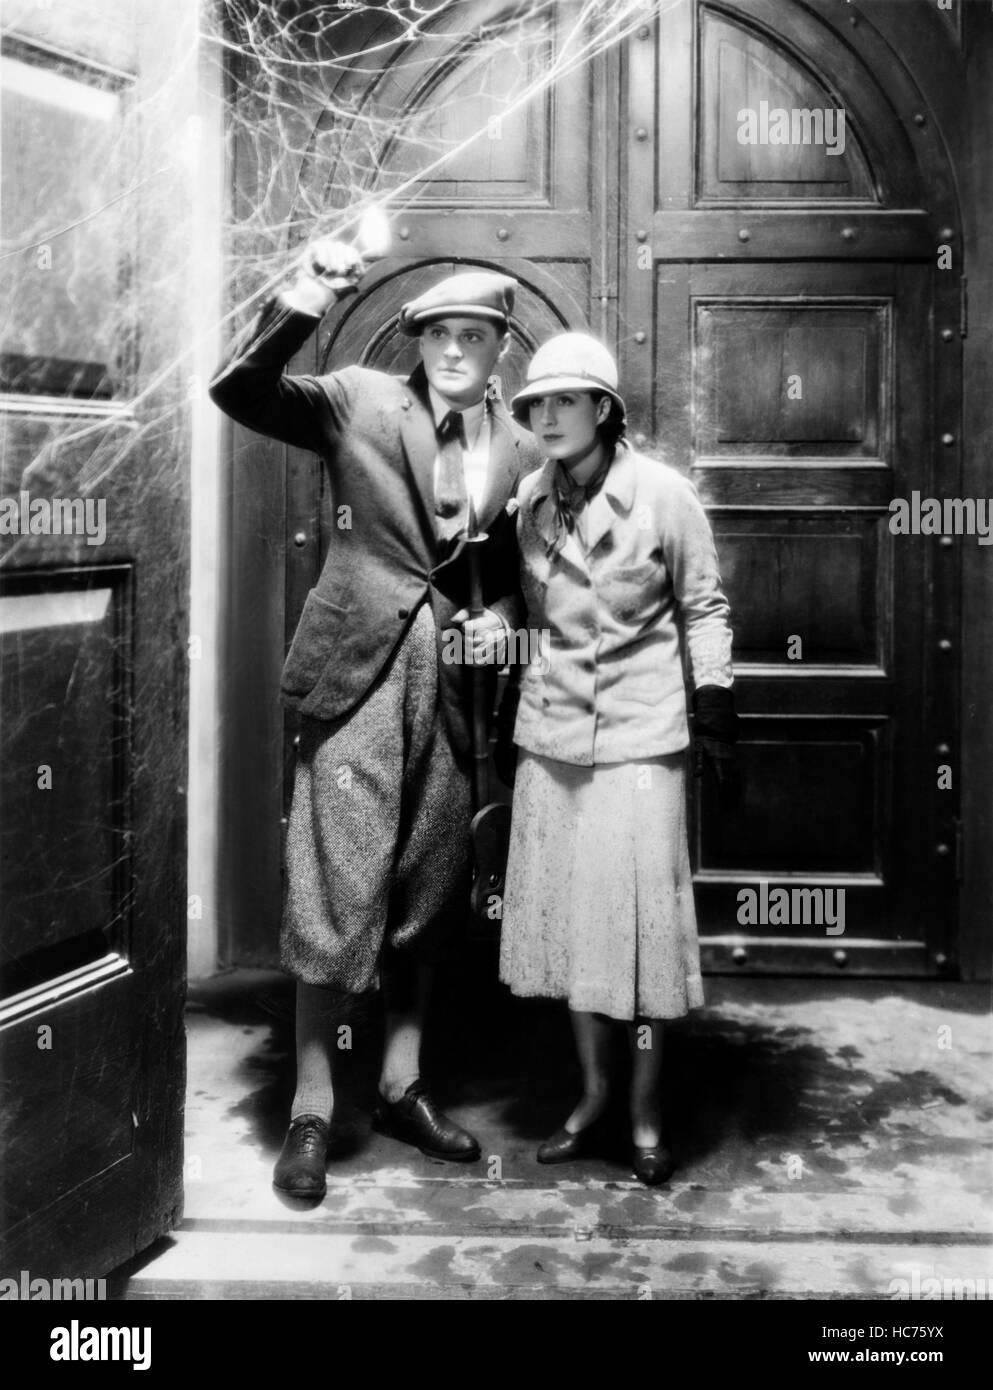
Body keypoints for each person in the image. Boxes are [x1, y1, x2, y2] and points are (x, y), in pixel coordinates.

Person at [209, 238, 541, 1198]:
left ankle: (401, 1084)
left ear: (497, 350)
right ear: (416, 340)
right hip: (354, 675)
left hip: (451, 690)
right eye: (438, 333)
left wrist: (504, 615)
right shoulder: (356, 398)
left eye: (472, 336)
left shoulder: (518, 447)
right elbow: (240, 390)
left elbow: (510, 574)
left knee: (428, 886)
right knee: (334, 890)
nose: (453, 349)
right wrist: (308, 292)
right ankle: (313, 1107)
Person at [496, 332, 738, 1186]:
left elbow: (703, 607)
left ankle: (642, 1113)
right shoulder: (527, 499)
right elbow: (519, 607)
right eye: (536, 405)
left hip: (640, 740)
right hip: (552, 738)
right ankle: (592, 1097)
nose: (547, 417)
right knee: (572, 933)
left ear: (604, 409)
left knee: (637, 943)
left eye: (565, 401)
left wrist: (712, 709)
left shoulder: (664, 496)